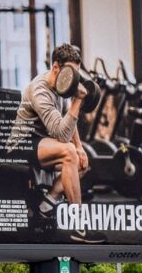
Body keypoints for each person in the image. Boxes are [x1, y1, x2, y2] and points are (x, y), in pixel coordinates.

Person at [8, 43, 90, 212]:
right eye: (70, 73)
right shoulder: (40, 90)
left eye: (75, 74)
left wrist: (80, 147)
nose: (73, 79)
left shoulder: (63, 86)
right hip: (22, 143)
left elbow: (68, 119)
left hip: (42, 140)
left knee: (81, 163)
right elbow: (62, 135)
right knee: (68, 151)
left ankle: (46, 204)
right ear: (55, 67)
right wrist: (78, 100)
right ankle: (79, 224)